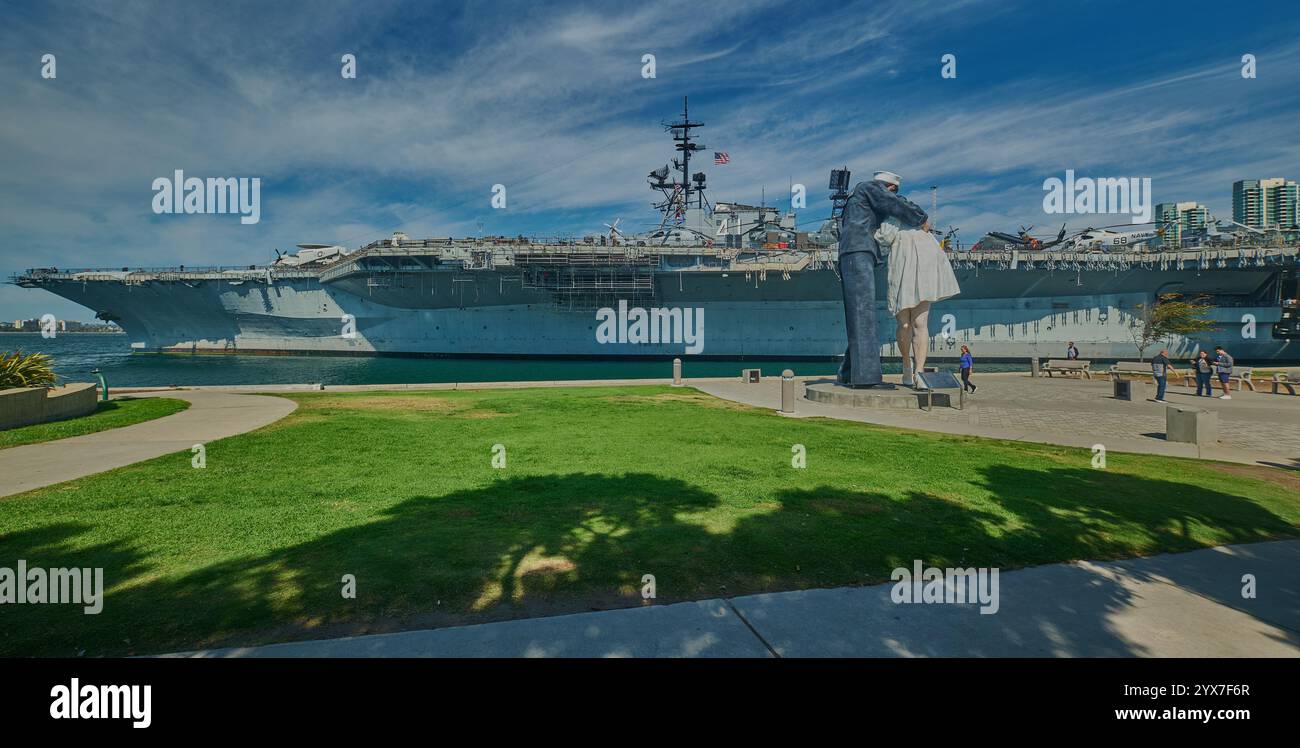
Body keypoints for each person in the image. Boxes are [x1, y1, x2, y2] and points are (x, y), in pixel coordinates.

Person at [835, 170, 929, 389]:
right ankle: (867, 379)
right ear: (891, 187)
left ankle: (848, 373)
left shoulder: (860, 196)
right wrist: (921, 218)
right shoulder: (870, 188)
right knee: (863, 314)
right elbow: (893, 204)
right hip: (858, 251)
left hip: (855, 252)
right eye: (894, 191)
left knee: (859, 317)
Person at [877, 195, 961, 390]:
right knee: (904, 324)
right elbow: (884, 238)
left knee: (919, 322)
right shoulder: (897, 220)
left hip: (923, 271)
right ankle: (907, 364)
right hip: (902, 272)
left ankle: (920, 372)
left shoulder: (916, 221)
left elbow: (883, 237)